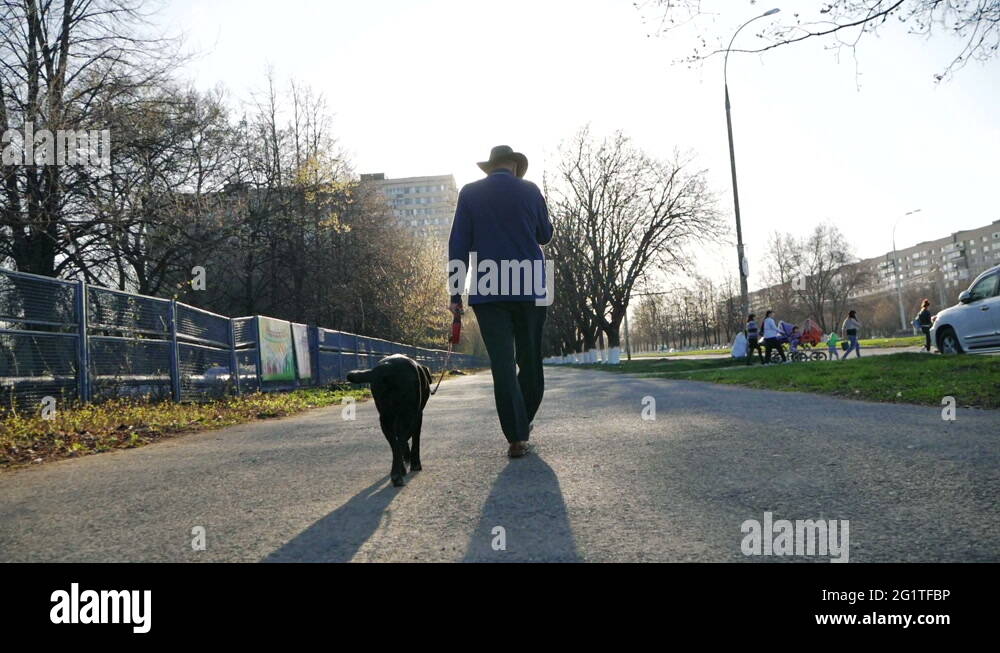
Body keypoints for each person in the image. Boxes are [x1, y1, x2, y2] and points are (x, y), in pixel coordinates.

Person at [448, 145, 553, 458]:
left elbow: (458, 244)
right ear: (515, 166)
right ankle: (523, 423)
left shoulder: (469, 193)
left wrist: (456, 294)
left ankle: (516, 435)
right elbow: (544, 235)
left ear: (490, 167)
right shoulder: (531, 190)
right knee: (531, 360)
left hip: (488, 289)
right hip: (529, 286)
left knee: (503, 365)